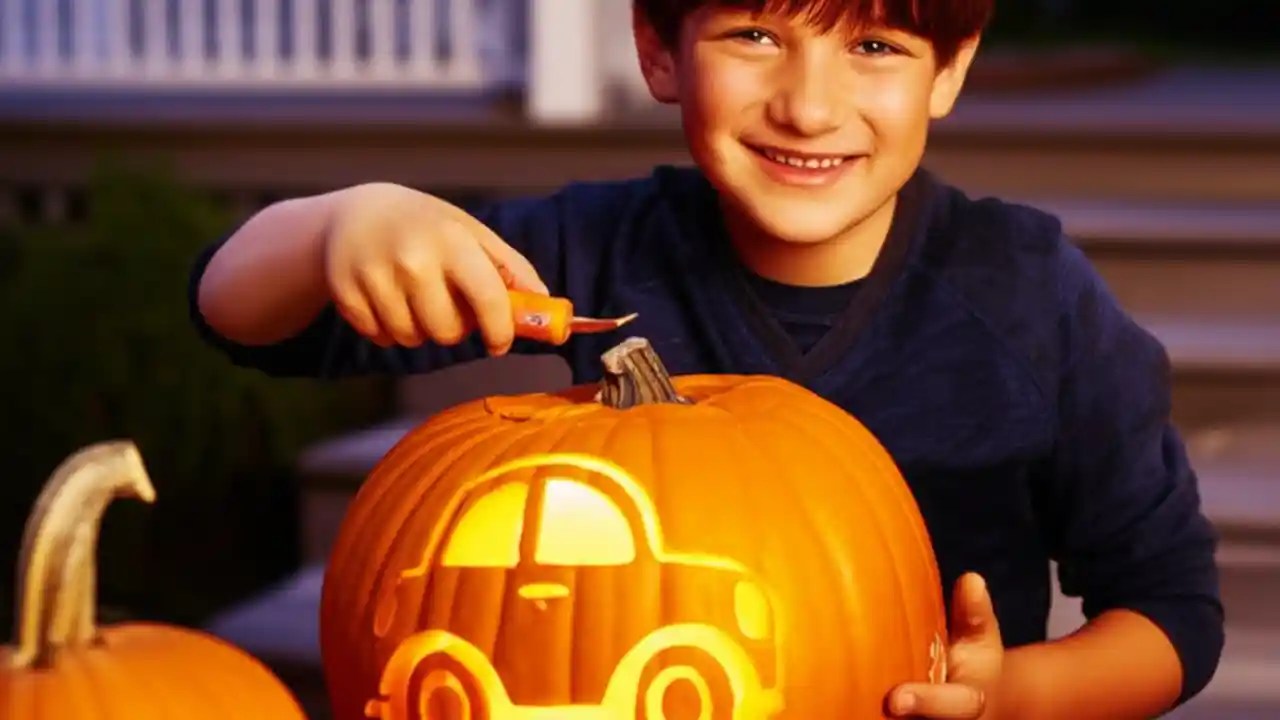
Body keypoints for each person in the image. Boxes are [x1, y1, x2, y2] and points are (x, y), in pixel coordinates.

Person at [189, 1, 1223, 717]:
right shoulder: (592, 254)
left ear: (947, 69)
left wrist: (1021, 697)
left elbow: (1170, 615)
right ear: (659, 50)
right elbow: (249, 321)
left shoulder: (1029, 295)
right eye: (754, 34)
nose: (808, 105)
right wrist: (339, 224)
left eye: (874, 47)